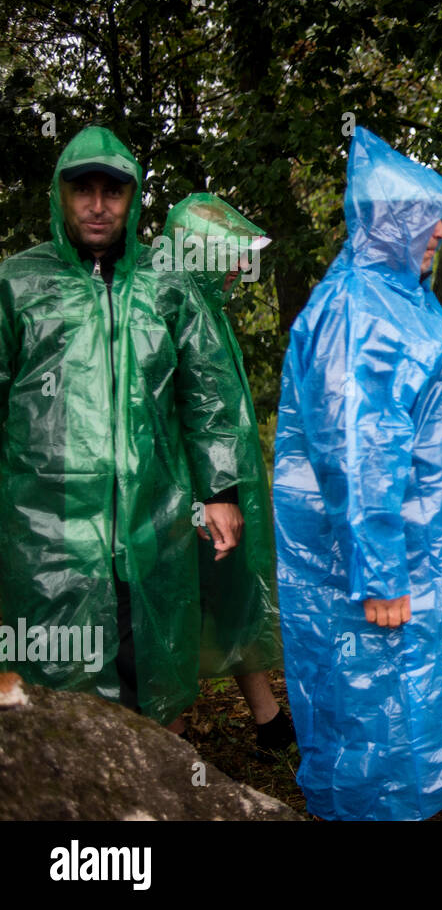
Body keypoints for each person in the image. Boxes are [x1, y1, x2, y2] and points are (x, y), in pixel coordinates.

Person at [274, 127, 442, 820]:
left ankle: (406, 803)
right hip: (388, 558)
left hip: (430, 547)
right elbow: (358, 448)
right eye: (424, 215)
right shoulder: (359, 308)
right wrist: (380, 571)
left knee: (412, 702)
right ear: (384, 221)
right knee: (372, 705)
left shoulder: (402, 297)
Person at [0, 126, 250, 730]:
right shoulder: (17, 283)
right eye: (82, 190)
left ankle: (161, 786)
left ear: (132, 200)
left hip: (152, 514)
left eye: (111, 192)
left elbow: (205, 394)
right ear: (60, 196)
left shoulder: (166, 287)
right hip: (47, 525)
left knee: (155, 661)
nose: (96, 205)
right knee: (53, 673)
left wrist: (218, 493)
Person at [160, 194, 293, 753]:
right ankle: (172, 738)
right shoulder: (167, 300)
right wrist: (205, 492)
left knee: (229, 592)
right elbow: (183, 407)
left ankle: (268, 720)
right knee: (176, 600)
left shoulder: (205, 304)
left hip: (219, 487)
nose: (243, 266)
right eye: (232, 253)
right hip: (182, 488)